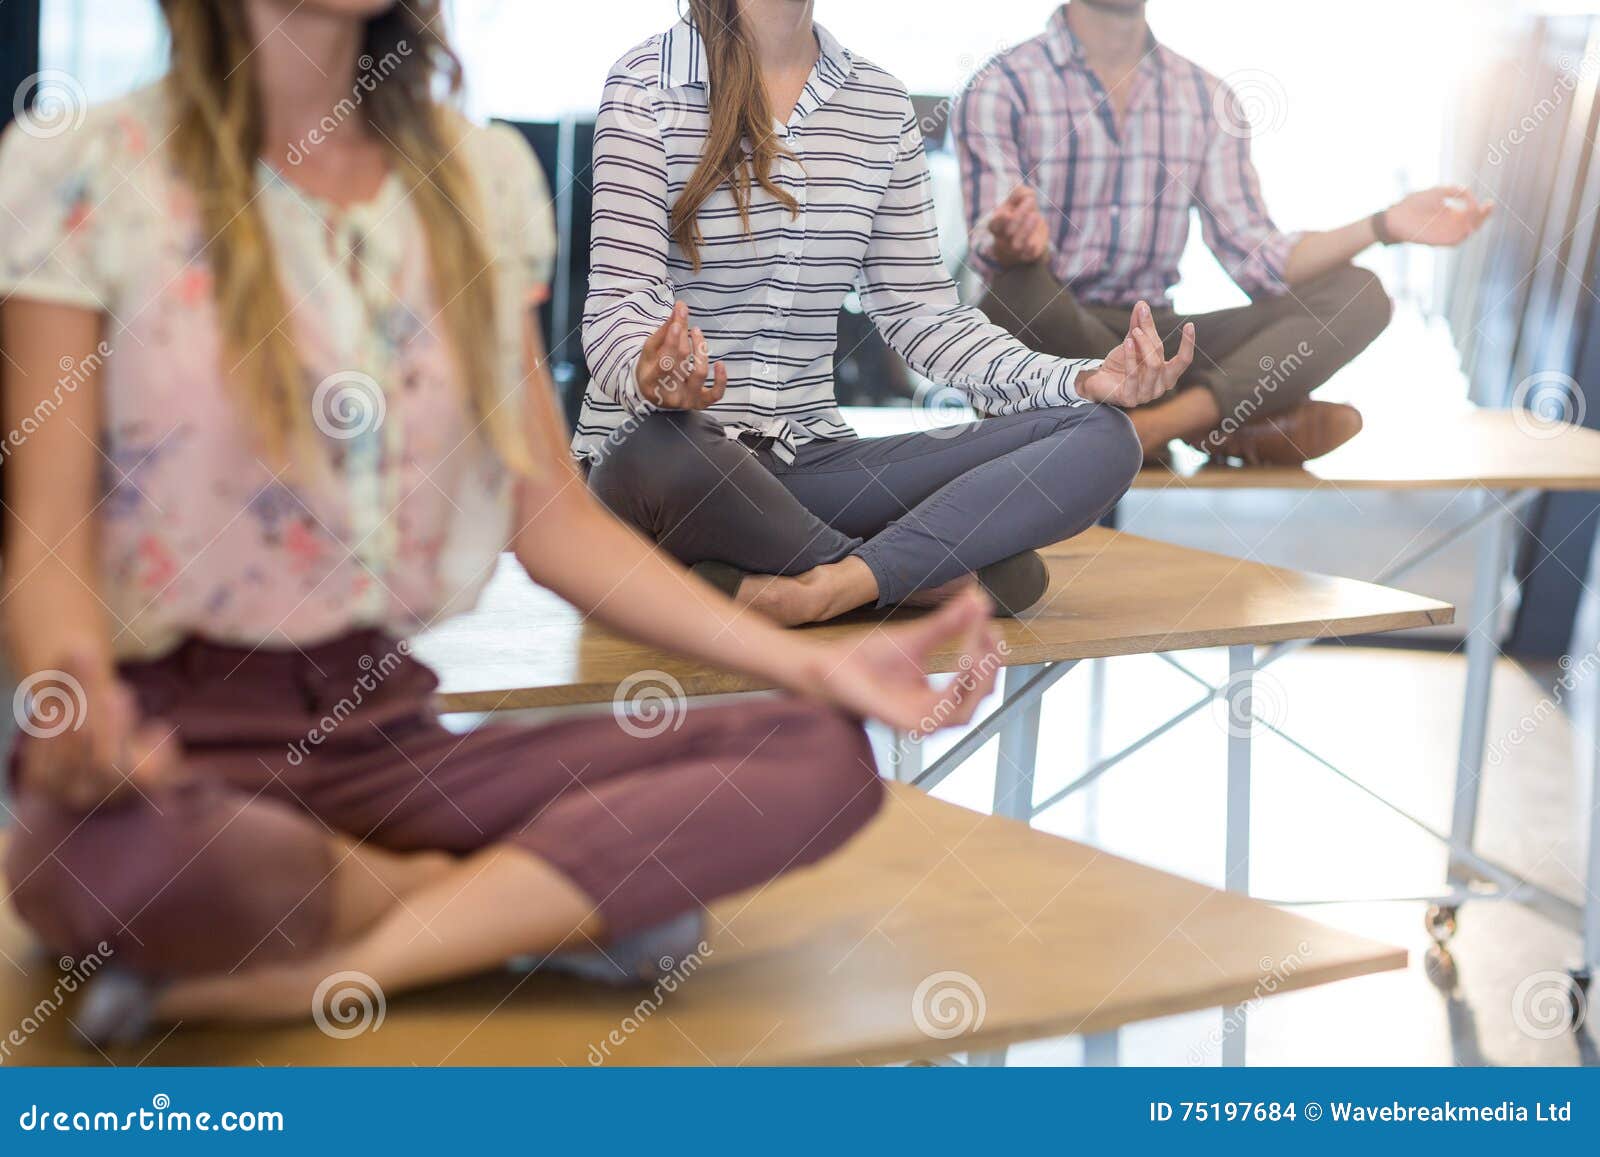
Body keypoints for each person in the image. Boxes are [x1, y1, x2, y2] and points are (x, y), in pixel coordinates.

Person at [0, 0, 1004, 1046]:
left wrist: (817, 668)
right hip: (167, 743)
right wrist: (73, 699)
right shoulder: (79, 166)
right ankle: (519, 904)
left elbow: (553, 519)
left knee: (817, 753)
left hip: (383, 733)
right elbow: (51, 538)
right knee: (108, 862)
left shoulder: (475, 183)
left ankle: (321, 971)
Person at [575, 0, 1197, 627]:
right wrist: (648, 367)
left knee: (1103, 436)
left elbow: (925, 317)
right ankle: (931, 581)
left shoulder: (878, 103)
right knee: (652, 449)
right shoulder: (647, 81)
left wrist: (1081, 379)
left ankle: (827, 589)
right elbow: (616, 305)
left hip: (810, 468)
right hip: (676, 465)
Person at [956, 0, 1493, 465]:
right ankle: (1222, 423)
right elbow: (990, 242)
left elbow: (1262, 260)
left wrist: (1383, 224)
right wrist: (1014, 240)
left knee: (1360, 294)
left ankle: (1150, 431)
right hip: (1053, 338)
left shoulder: (1206, 97)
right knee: (1018, 287)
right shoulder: (1001, 84)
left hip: (1155, 337)